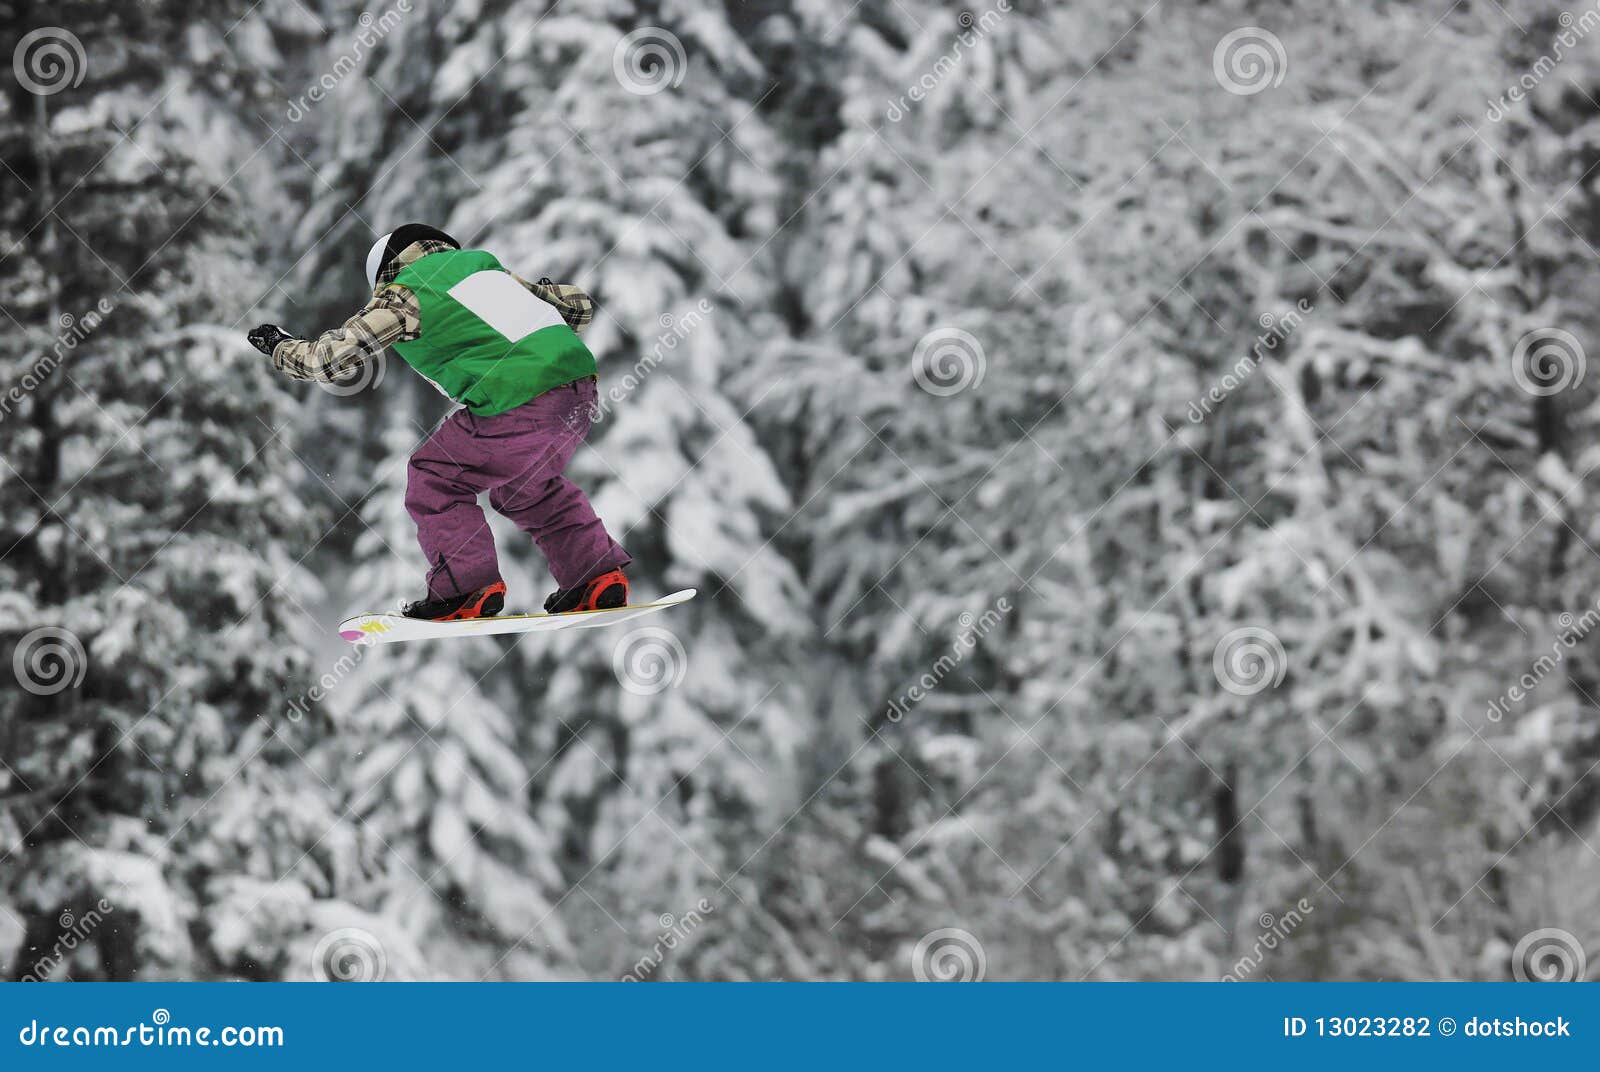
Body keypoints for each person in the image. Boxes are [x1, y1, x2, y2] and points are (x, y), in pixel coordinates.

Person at [247, 223, 630, 621]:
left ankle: (466, 588)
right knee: (528, 489)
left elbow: (329, 361)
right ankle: (594, 576)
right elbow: (579, 306)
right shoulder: (486, 270)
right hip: (579, 394)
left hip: (517, 400)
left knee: (435, 476)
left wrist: (281, 346)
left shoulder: (403, 293)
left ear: (384, 272)